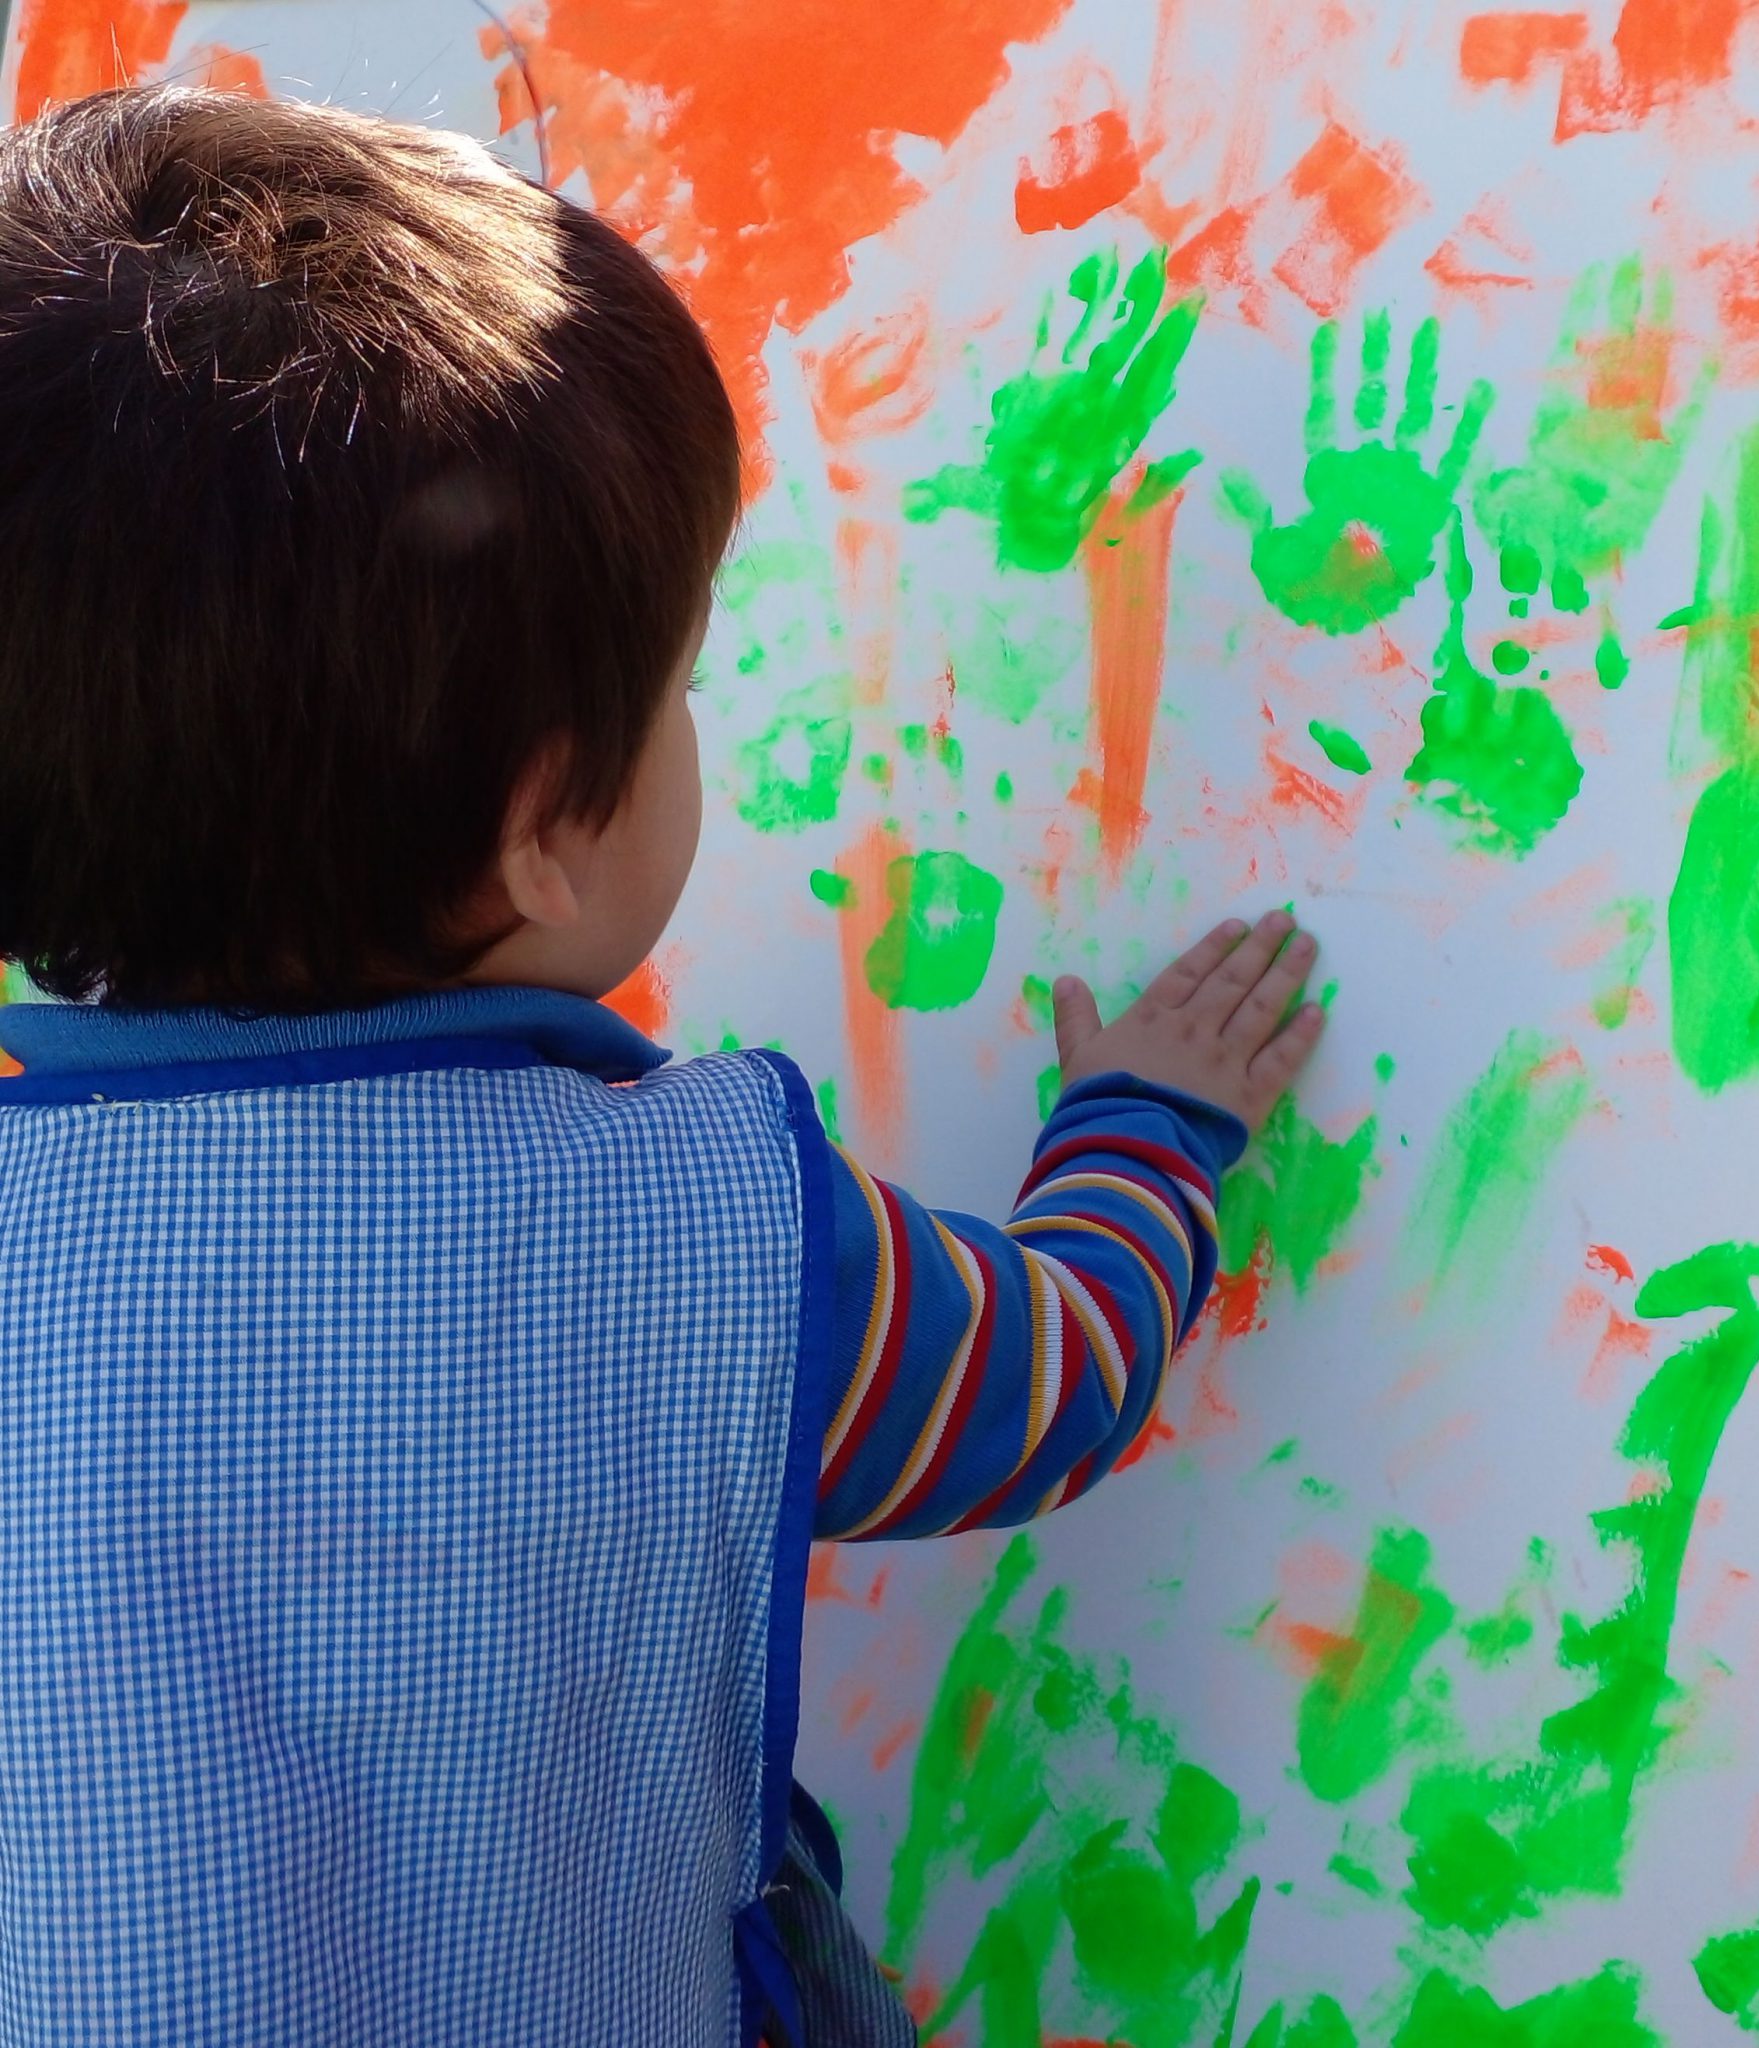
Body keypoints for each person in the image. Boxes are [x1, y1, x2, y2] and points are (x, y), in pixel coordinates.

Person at [0, 83, 1324, 2046]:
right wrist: (1148, 1125)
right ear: (546, 824)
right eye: (684, 684)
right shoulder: (713, 1223)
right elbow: (1041, 1384)